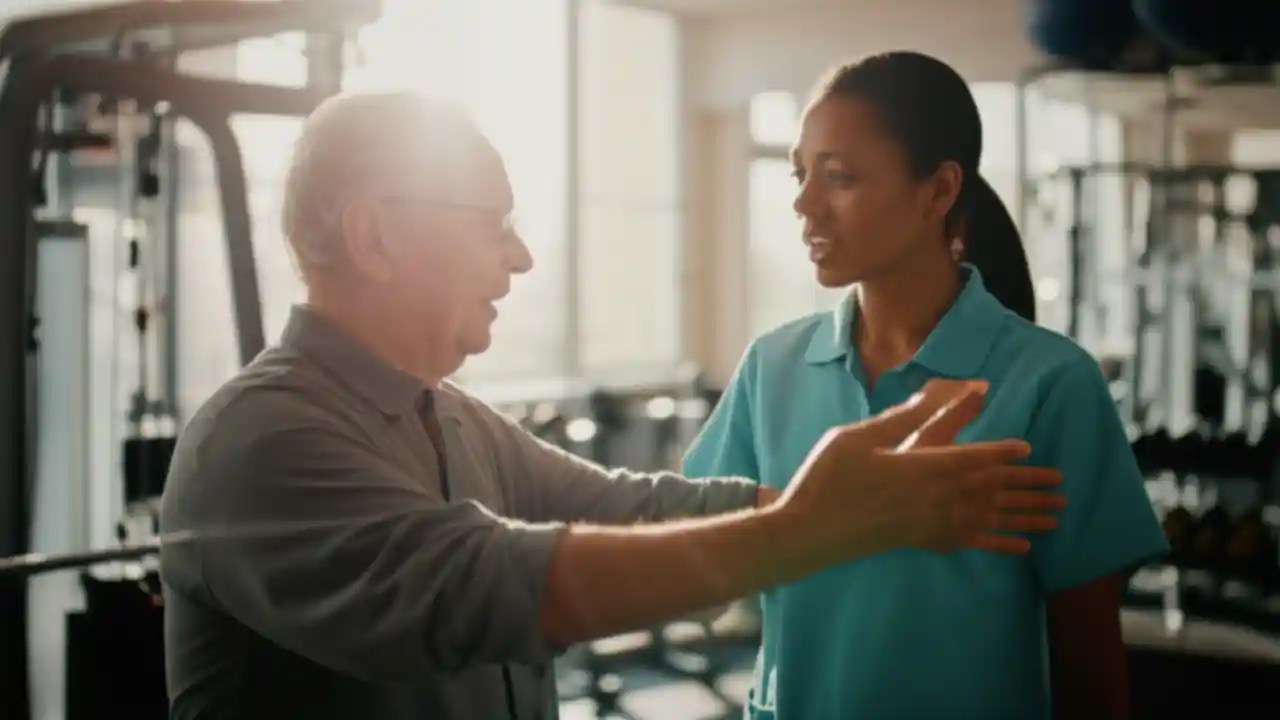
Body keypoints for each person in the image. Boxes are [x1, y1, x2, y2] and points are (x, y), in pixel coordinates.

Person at [158, 91, 1065, 720]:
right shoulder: (257, 444)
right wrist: (813, 531)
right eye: (493, 223)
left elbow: (629, 510)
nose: (520, 259)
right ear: (377, 234)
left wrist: (855, 507)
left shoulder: (452, 419)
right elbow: (491, 586)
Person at [683, 52, 1169, 720]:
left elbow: (1088, 658)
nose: (803, 203)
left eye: (840, 177)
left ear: (939, 191)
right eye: (800, 175)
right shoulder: (774, 366)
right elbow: (697, 569)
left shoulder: (1050, 384)